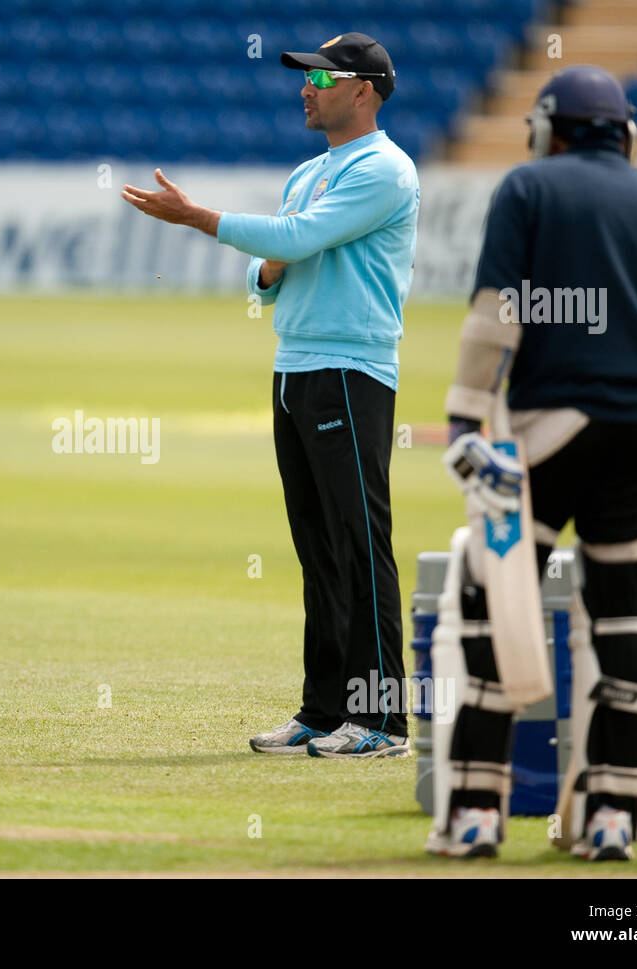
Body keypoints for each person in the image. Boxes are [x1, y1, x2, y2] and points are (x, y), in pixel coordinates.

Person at [427, 65, 637, 860]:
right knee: (625, 608)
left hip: (546, 433)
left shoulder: (529, 188)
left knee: (492, 594)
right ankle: (611, 814)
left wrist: (464, 421)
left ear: (555, 127)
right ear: (622, 131)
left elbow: (493, 318)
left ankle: (477, 811)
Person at [122, 32, 418, 758]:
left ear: (364, 90)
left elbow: (299, 237)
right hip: (296, 368)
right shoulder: (309, 170)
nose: (305, 87)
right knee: (317, 550)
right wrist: (267, 266)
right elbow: (272, 265)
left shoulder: (385, 168)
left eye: (320, 76)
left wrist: (203, 219)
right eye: (305, 76)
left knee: (359, 542)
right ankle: (324, 708)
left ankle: (383, 719)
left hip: (350, 370)